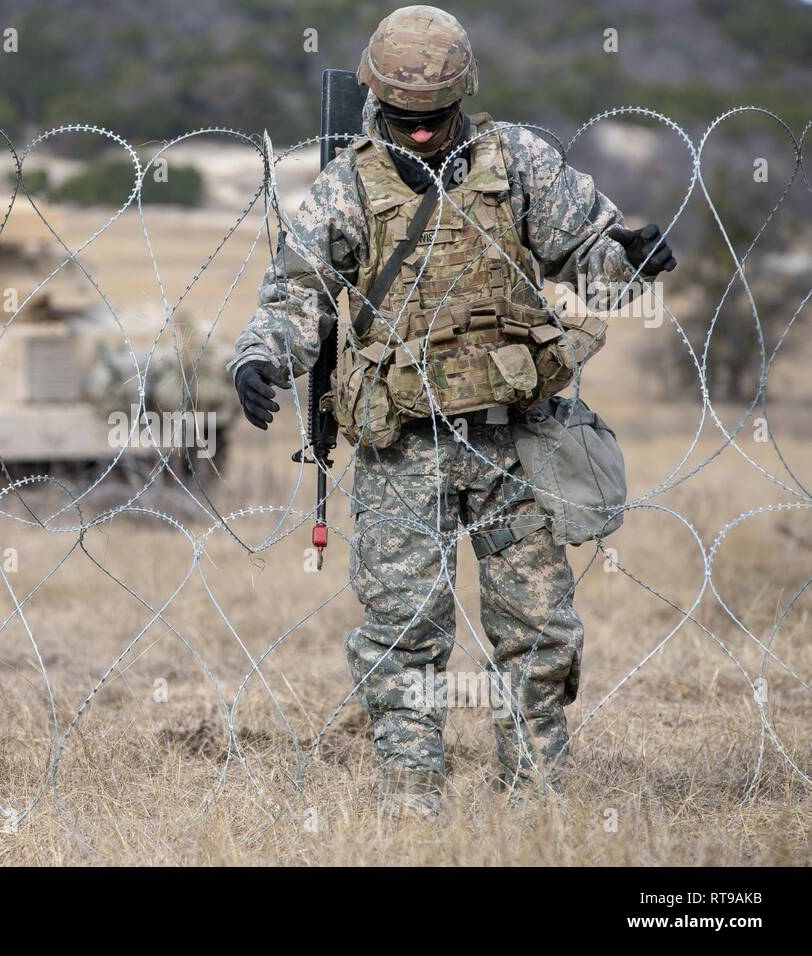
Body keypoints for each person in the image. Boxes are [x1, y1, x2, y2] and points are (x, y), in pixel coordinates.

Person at [230, 5, 675, 815]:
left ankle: (535, 800)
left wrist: (633, 257)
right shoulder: (345, 188)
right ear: (374, 99)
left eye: (435, 118)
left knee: (536, 634)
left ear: (463, 96)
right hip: (403, 447)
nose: (423, 135)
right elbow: (298, 294)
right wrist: (261, 357)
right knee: (402, 635)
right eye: (405, 119)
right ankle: (410, 800)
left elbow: (593, 258)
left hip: (517, 441)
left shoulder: (522, 165)